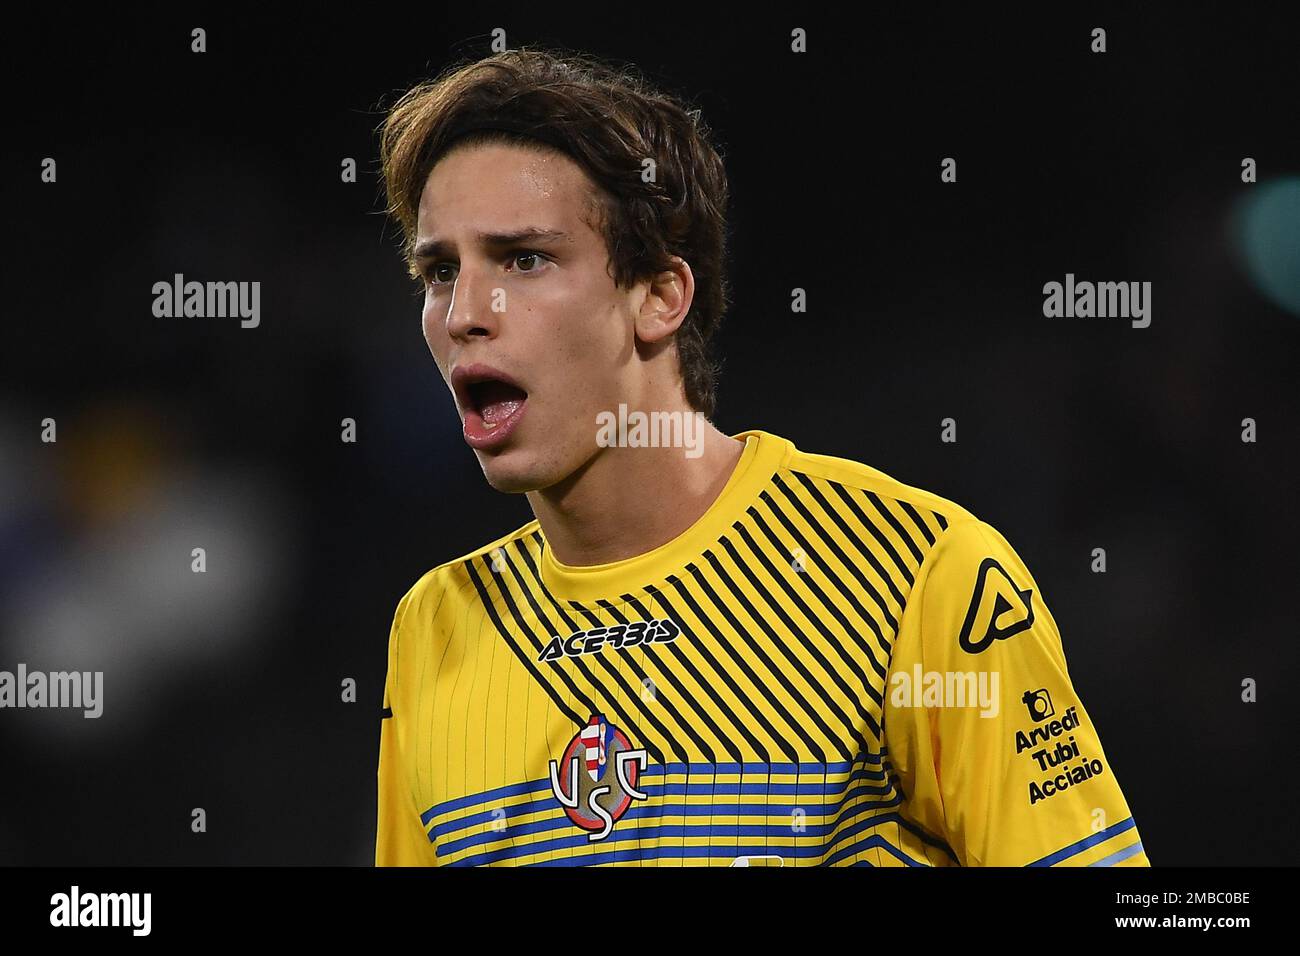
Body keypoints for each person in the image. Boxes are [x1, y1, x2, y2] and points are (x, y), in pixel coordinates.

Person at [373, 47, 1148, 867]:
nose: (464, 314)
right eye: (440, 271)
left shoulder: (920, 574)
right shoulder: (434, 630)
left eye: (524, 259)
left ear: (660, 296)